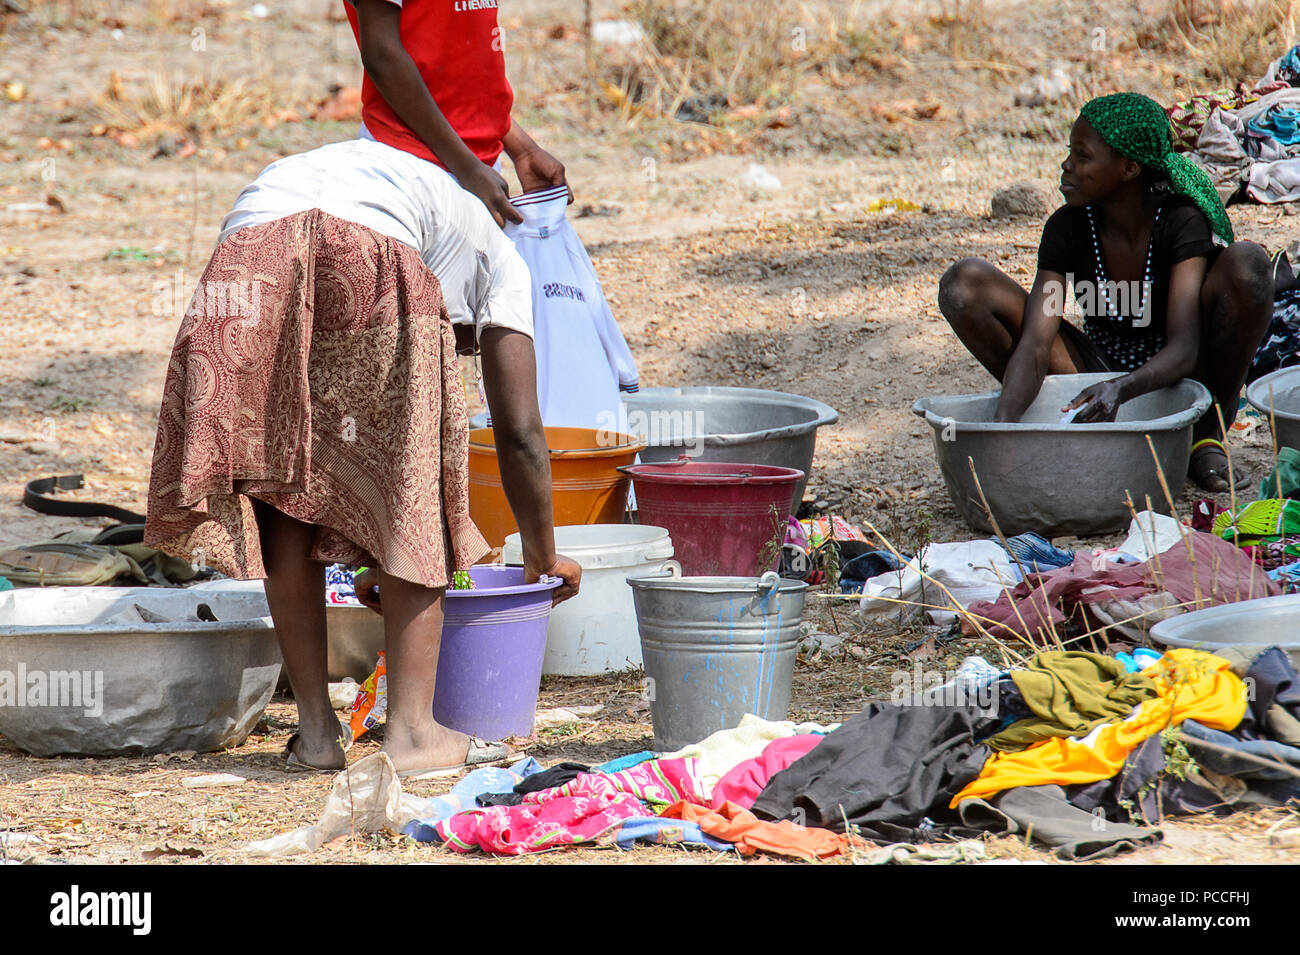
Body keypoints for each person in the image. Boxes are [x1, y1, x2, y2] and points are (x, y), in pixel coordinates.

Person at [144, 135, 581, 774]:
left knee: (283, 480)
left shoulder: (414, 193)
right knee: (414, 484)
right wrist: (542, 554)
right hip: (366, 252)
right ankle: (412, 736)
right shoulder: (507, 264)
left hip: (246, 251)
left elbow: (336, 462)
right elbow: (518, 431)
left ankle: (318, 733)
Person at [938, 92, 1274, 491]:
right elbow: (1036, 343)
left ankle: (1203, 434)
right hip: (1093, 374)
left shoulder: (1180, 222)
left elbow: (1184, 347)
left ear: (1129, 168)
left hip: (1176, 379)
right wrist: (1003, 433)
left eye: (1082, 156)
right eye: (1069, 152)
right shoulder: (1066, 228)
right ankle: (1051, 425)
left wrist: (1123, 388)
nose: (1066, 166)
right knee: (965, 285)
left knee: (1247, 266)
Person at [345, 0, 571, 226]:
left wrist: (523, 150)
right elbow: (382, 55)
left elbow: (459, 60)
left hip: (473, 164)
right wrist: (468, 169)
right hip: (410, 163)